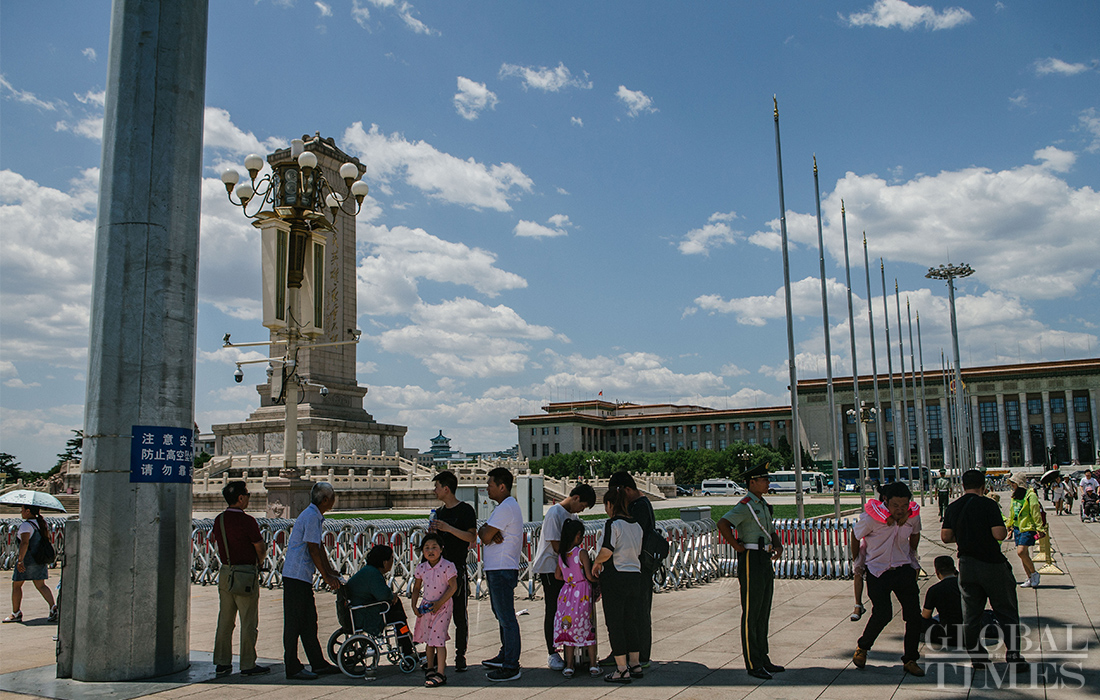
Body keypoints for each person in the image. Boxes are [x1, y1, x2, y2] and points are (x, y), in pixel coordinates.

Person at [942, 469, 1028, 672]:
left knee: (971, 614)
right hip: (991, 564)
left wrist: (965, 536)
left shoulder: (954, 507)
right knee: (1006, 610)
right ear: (984, 486)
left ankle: (978, 657)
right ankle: (1014, 655)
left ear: (962, 486)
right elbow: (998, 533)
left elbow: (946, 536)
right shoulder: (988, 504)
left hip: (966, 565)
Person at [716, 463, 785, 680]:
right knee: (751, 612)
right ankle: (753, 663)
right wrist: (736, 546)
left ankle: (763, 657)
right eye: (763, 479)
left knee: (763, 610)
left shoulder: (763, 504)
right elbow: (723, 523)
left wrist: (778, 544)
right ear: (751, 482)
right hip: (750, 559)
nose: (767, 482)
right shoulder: (745, 505)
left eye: (767, 479)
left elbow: (771, 530)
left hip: (764, 558)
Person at [850, 481, 924, 677]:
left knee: (913, 616)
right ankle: (863, 647)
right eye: (895, 506)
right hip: (877, 571)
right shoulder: (871, 519)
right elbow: (855, 535)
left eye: (904, 505)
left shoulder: (912, 517)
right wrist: (857, 558)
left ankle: (910, 659)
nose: (900, 510)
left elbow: (915, 534)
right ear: (885, 501)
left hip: (903, 569)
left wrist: (912, 553)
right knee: (882, 613)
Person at [530, 483, 596, 671]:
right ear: (575, 498)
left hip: (569, 571)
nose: (581, 510)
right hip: (551, 568)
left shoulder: (572, 516)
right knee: (553, 608)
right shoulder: (555, 513)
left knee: (569, 610)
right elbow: (556, 545)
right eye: (582, 506)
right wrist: (577, 558)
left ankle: (571, 645)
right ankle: (552, 652)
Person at [281, 482, 342, 680]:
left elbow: (319, 547)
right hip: (296, 576)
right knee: (294, 623)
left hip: (301, 576)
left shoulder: (313, 515)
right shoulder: (311, 517)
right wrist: (326, 577)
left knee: (308, 622)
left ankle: (317, 663)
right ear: (325, 500)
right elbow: (313, 549)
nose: (334, 500)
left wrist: (330, 570)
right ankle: (292, 666)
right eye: (332, 497)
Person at [211, 481, 269, 677]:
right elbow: (260, 548)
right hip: (245, 574)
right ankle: (247, 663)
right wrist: (258, 563)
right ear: (240, 498)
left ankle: (222, 661)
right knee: (248, 621)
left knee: (225, 620)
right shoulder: (247, 521)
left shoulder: (219, 520)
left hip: (226, 572)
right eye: (247, 494)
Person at [604, 470, 658, 669]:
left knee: (634, 614)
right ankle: (635, 656)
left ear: (626, 489)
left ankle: (636, 656)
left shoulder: (637, 508)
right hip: (639, 568)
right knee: (635, 612)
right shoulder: (641, 504)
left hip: (634, 568)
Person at [592, 488, 644, 683]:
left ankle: (621, 669)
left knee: (615, 623)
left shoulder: (612, 524)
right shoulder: (636, 525)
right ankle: (635, 664)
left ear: (610, 505)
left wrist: (597, 563)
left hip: (615, 577)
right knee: (631, 621)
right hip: (634, 576)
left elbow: (607, 550)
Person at [477, 467, 524, 682]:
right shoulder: (504, 507)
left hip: (502, 568)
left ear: (502, 486)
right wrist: (487, 530)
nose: (487, 488)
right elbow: (486, 533)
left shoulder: (506, 507)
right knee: (501, 614)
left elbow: (486, 536)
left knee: (507, 618)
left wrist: (487, 531)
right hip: (498, 568)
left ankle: (511, 665)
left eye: (490, 484)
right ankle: (505, 655)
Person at [428, 470, 477, 672]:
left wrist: (449, 529)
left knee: (459, 614)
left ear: (446, 488)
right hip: (438, 571)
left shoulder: (465, 510)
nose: (435, 491)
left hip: (457, 568)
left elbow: (471, 537)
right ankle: (434, 655)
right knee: (435, 613)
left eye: (437, 487)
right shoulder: (438, 513)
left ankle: (460, 654)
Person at [343, 544, 415, 660]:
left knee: (397, 607)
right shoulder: (373, 574)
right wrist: (392, 596)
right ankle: (406, 643)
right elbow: (384, 595)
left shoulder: (368, 571)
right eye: (391, 558)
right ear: (384, 561)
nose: (392, 562)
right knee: (399, 618)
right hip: (365, 614)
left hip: (359, 609)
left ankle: (407, 638)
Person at [553, 518, 599, 678]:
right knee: (588, 627)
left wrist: (569, 578)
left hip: (566, 593)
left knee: (568, 628)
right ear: (578, 535)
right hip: (582, 593)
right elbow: (589, 575)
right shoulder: (581, 553)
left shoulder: (562, 554)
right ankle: (593, 665)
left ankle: (569, 665)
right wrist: (597, 580)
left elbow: (557, 575)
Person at [411, 533, 458, 688]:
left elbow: (453, 587)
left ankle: (441, 672)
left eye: (434, 547)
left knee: (438, 639)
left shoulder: (448, 566)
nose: (430, 551)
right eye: (427, 548)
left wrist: (439, 603)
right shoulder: (422, 568)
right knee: (429, 639)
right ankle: (430, 667)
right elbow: (417, 587)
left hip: (443, 607)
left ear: (441, 549)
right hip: (427, 607)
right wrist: (414, 605)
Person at [3, 505, 57, 624]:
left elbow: (25, 543)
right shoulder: (42, 524)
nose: (20, 512)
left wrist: (20, 560)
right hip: (40, 559)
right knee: (41, 585)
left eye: (22, 510)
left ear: (28, 511)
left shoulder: (26, 526)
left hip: (28, 560)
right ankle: (53, 607)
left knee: (17, 585)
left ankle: (16, 612)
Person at [1004, 471, 1046, 588]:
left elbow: (1035, 511)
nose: (1012, 485)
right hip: (1018, 527)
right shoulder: (1014, 496)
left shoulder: (1030, 495)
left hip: (1028, 527)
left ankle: (1034, 573)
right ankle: (1029, 577)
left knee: (1021, 552)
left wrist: (1039, 527)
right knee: (1023, 555)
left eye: (1014, 483)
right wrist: (1009, 524)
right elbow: (1013, 511)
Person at [921, 556, 963, 648]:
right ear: (954, 570)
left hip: (948, 635)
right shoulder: (966, 586)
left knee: (919, 621)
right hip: (969, 634)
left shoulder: (934, 590)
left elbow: (926, 616)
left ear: (937, 572)